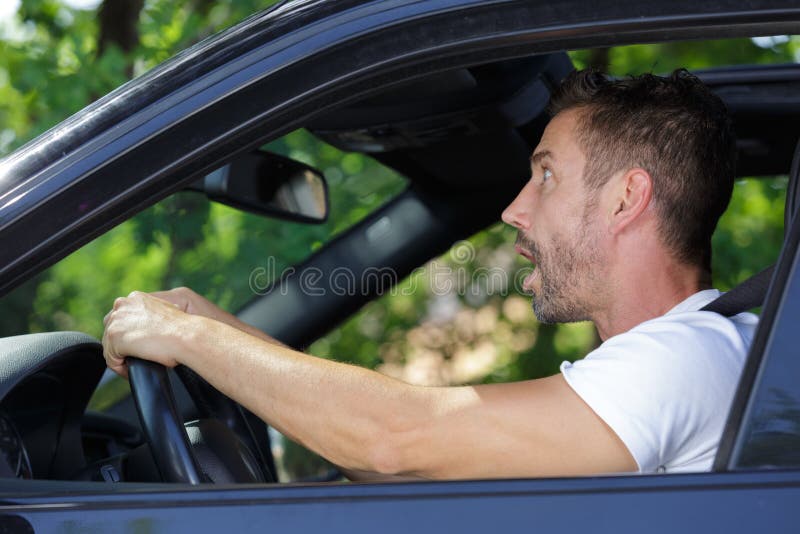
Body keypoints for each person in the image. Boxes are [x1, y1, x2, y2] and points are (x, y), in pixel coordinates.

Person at [102, 68, 757, 479]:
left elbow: (395, 440)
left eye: (546, 175)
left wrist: (192, 341)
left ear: (625, 199)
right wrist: (209, 324)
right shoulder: (679, 361)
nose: (513, 209)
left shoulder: (687, 358)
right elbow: (407, 465)